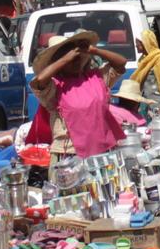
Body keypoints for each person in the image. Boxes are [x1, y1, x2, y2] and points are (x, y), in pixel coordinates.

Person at [31, 30, 127, 158]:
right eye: (71, 60)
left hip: (102, 150)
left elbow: (121, 63)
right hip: (68, 153)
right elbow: (40, 80)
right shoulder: (55, 86)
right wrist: (65, 59)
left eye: (78, 59)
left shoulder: (96, 78)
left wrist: (95, 51)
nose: (76, 62)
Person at [133, 26, 160, 111]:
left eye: (138, 43)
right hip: (145, 106)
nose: (136, 45)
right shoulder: (142, 60)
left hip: (158, 105)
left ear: (146, 43)